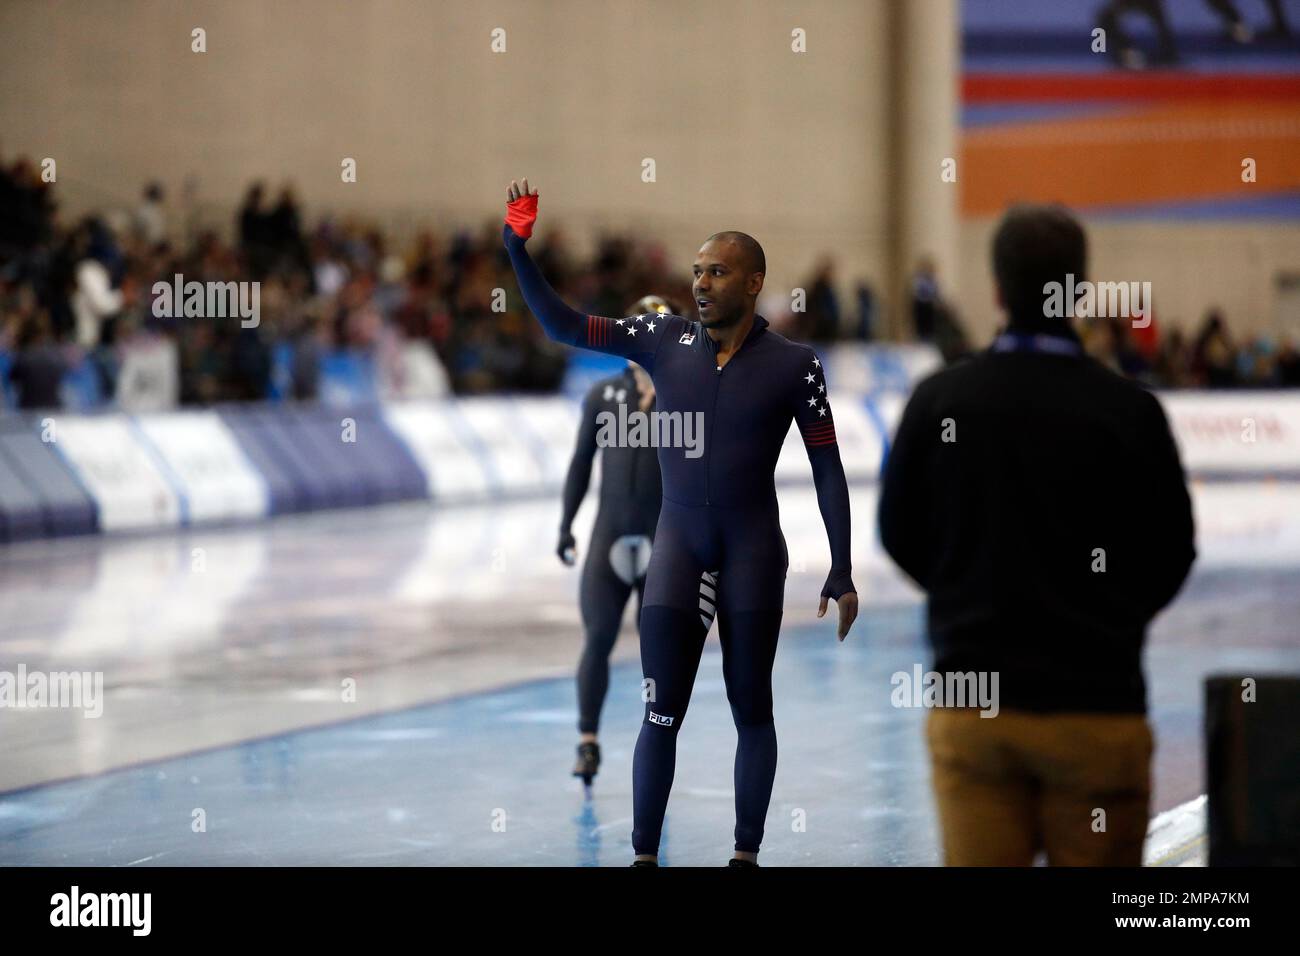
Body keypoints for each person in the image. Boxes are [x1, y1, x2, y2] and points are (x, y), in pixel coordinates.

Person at [503, 179, 857, 866]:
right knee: (660, 713)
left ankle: (745, 855)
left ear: (753, 282)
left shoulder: (796, 365)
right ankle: (642, 857)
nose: (701, 283)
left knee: (751, 711)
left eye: (717, 272)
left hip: (754, 552)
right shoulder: (662, 341)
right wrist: (518, 250)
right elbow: (565, 326)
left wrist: (841, 566)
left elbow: (827, 469)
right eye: (696, 272)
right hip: (679, 548)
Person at [878, 203, 1196, 865]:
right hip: (1098, 708)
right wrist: (1111, 621)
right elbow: (1173, 549)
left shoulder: (939, 402)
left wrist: (964, 599)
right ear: (1079, 292)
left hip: (973, 710)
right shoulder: (1130, 412)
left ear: (996, 292)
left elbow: (897, 530)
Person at [561, 294, 720, 789]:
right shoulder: (602, 395)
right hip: (610, 536)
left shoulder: (691, 396)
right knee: (599, 638)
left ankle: (657, 741)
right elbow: (581, 463)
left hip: (664, 543)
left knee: (661, 653)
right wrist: (565, 523)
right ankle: (587, 740)